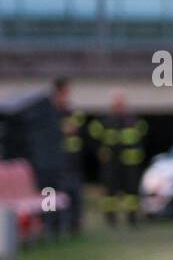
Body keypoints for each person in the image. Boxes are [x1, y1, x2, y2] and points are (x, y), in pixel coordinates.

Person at [88, 90, 148, 227]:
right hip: (111, 163)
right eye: (117, 102)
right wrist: (99, 151)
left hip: (130, 163)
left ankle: (132, 218)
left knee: (131, 192)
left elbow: (143, 138)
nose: (119, 105)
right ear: (112, 103)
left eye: (121, 101)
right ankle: (111, 220)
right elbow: (91, 136)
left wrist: (138, 154)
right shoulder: (104, 120)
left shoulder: (133, 120)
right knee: (110, 192)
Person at [50, 77, 86, 236]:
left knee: (74, 196)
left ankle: (74, 225)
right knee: (50, 195)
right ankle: (51, 226)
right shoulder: (49, 112)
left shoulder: (71, 112)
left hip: (72, 164)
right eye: (65, 92)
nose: (67, 96)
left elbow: (74, 128)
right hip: (53, 164)